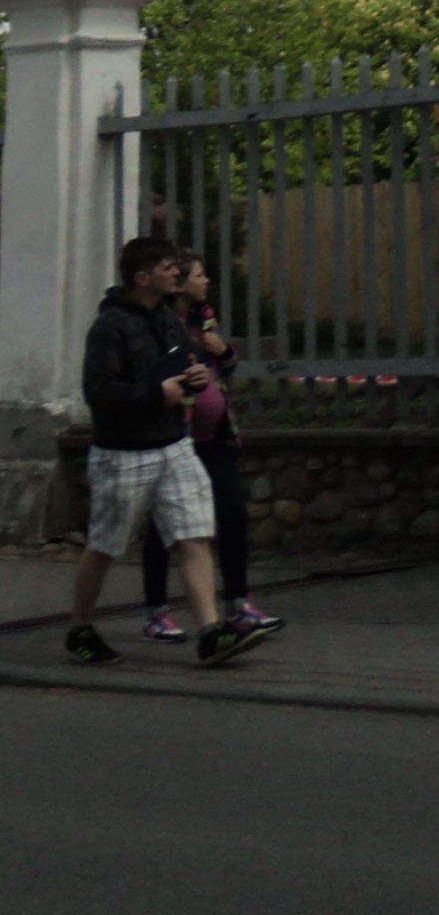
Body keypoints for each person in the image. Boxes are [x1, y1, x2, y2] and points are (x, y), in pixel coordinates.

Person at [65, 235, 269, 669]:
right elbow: (97, 393)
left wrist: (195, 374)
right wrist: (157, 394)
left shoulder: (167, 319)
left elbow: (185, 358)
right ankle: (80, 628)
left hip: (175, 446)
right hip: (124, 453)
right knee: (104, 544)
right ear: (142, 277)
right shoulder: (110, 328)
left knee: (194, 534)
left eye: (178, 266)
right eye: (167, 267)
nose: (177, 272)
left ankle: (211, 632)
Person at [139, 251, 283, 641]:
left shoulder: (204, 316)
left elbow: (225, 365)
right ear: (180, 282)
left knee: (233, 512)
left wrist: (225, 352)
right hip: (175, 436)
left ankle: (239, 603)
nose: (205, 282)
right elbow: (161, 368)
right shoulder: (161, 322)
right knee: (163, 526)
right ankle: (157, 611)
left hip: (213, 435)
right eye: (199, 275)